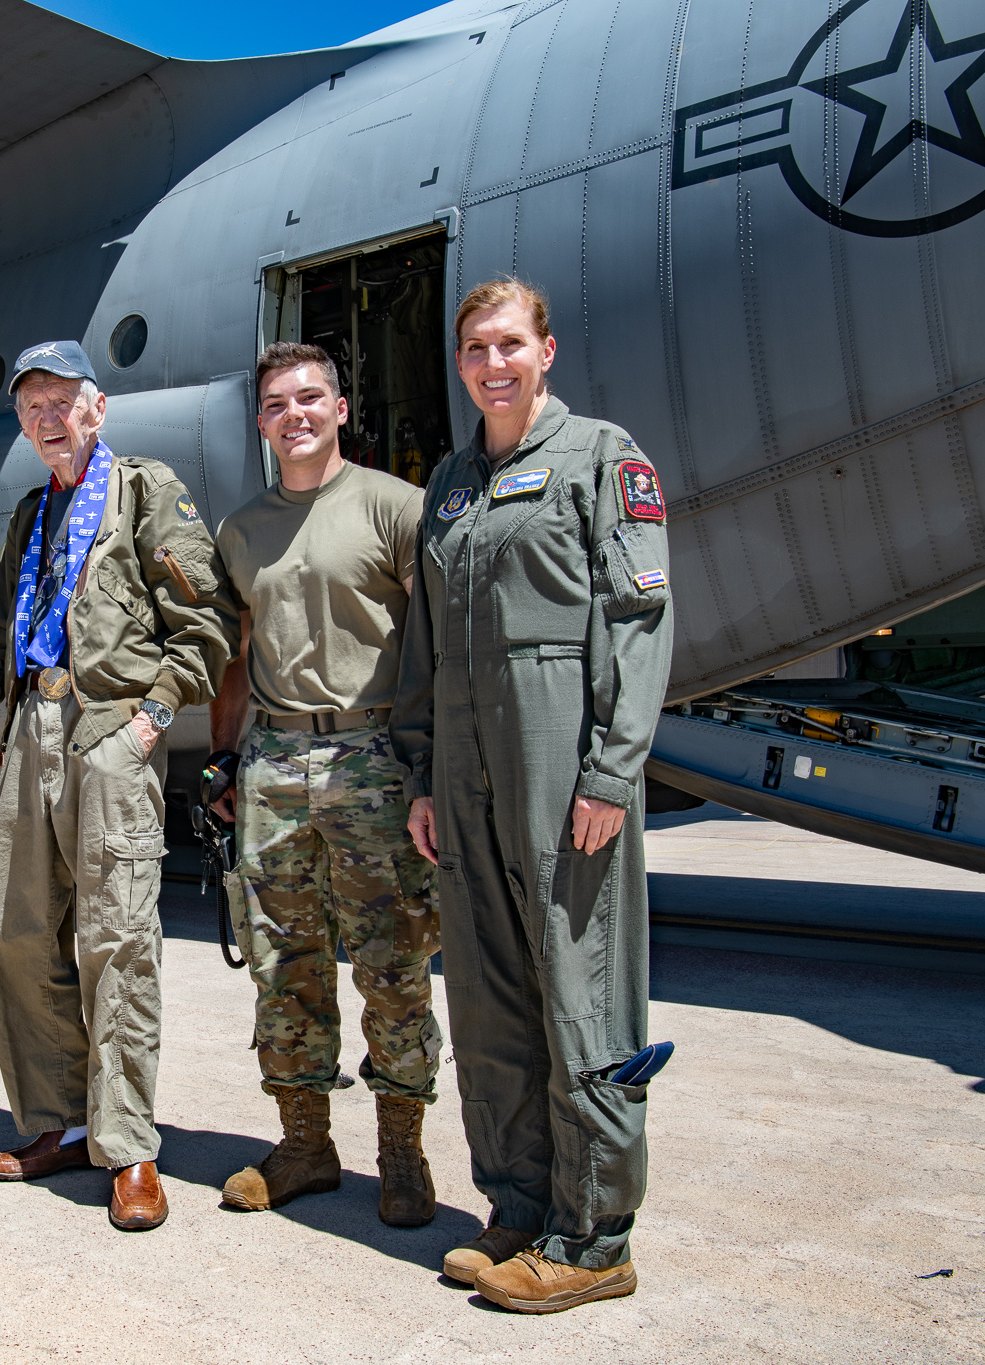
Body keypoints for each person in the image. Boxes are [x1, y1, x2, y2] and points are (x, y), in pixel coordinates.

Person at [393, 279, 674, 1313]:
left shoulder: (602, 457)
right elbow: (423, 646)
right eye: (474, 347)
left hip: (560, 765)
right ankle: (518, 1206)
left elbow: (638, 622)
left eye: (509, 343)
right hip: (464, 774)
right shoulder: (452, 485)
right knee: (489, 997)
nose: (491, 362)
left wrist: (610, 770)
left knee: (579, 988)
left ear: (544, 351)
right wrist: (422, 775)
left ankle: (593, 1238)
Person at [0, 340, 236, 1232]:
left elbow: (206, 619)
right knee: (16, 934)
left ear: (97, 407)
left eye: (62, 401)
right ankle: (58, 1121)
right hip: (31, 726)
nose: (48, 419)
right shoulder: (31, 513)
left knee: (117, 940)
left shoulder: (143, 491)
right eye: (32, 407)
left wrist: (152, 720)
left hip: (110, 733)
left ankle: (130, 1148)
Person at [206, 342, 441, 1227]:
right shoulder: (241, 530)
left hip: (374, 759)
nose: (294, 414)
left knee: (394, 964)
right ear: (261, 420)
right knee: (283, 968)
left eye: (310, 398)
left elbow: (433, 650)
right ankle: (304, 1142)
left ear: (341, 408)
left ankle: (401, 1151)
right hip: (272, 768)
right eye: (276, 403)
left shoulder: (395, 508)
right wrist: (225, 758)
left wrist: (430, 772)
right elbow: (237, 658)